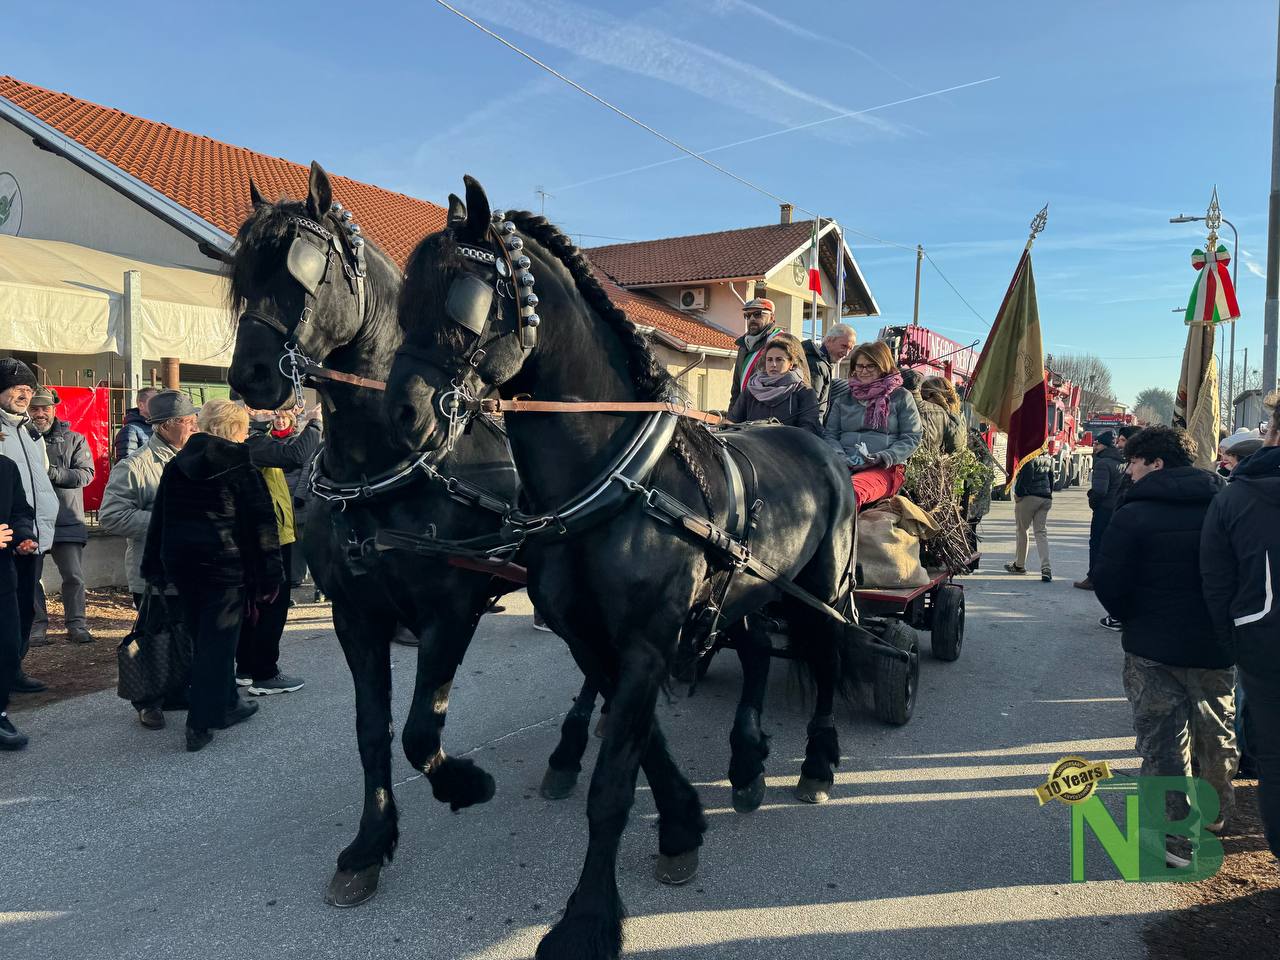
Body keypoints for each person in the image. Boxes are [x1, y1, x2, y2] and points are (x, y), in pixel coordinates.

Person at [1093, 426, 1236, 849]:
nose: (1129, 470)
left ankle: (1172, 834)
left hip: (1151, 649)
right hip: (1215, 645)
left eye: (1134, 462)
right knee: (1215, 731)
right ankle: (1214, 815)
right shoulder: (1226, 503)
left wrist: (1128, 616)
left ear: (1155, 463)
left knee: (1162, 743)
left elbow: (1109, 580)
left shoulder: (1133, 513)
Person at [142, 398, 281, 752]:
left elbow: (160, 518)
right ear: (235, 429)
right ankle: (201, 721)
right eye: (246, 428)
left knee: (201, 636)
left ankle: (229, 701)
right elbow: (262, 528)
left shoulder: (177, 464)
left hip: (182, 564)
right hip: (224, 566)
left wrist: (154, 566)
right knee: (217, 645)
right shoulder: (240, 466)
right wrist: (270, 578)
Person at [1201, 394, 1280, 860]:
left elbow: (1216, 580)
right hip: (1259, 638)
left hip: (1262, 639)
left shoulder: (1235, 496)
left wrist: (1232, 640)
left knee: (1274, 757)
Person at [99, 389, 198, 728]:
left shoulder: (193, 457)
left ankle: (174, 693)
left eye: (194, 420)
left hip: (188, 569)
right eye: (188, 422)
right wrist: (165, 522)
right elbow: (111, 516)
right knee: (151, 636)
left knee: (182, 634)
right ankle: (147, 700)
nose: (194, 427)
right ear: (165, 426)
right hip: (152, 571)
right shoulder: (135, 465)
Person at [234, 404, 320, 695]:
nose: (271, 413)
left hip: (268, 534)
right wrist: (315, 423)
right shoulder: (252, 444)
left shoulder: (249, 441)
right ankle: (265, 674)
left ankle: (245, 668)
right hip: (268, 538)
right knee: (272, 606)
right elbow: (295, 456)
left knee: (252, 607)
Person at [0, 359, 58, 695]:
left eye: (29, 389)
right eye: (17, 387)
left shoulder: (29, 428)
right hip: (5, 537)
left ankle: (14, 669)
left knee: (24, 606)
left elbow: (41, 477)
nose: (25, 394)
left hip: (30, 533)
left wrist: (33, 530)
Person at [28, 388, 95, 645]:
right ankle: (37, 626)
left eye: (45, 408)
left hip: (66, 520)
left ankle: (77, 625)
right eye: (34, 408)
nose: (40, 413)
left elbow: (85, 475)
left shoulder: (74, 439)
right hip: (31, 522)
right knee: (31, 578)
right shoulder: (19, 438)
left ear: (55, 410)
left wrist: (51, 472)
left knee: (74, 576)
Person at [823, 340, 922, 508]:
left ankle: (845, 534)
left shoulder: (901, 397)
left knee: (850, 493)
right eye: (859, 366)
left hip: (885, 468)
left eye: (871, 366)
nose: (863, 371)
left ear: (883, 367)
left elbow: (912, 437)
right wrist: (840, 456)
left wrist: (884, 457)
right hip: (845, 464)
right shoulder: (844, 398)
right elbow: (830, 434)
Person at [0, 454, 39, 749]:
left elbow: (20, 512)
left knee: (8, 650)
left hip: (3, 577)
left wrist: (22, 536)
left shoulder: (5, 467)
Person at [725, 334, 821, 435]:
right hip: (752, 448)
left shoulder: (804, 392)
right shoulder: (750, 390)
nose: (773, 364)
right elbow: (733, 423)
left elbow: (809, 429)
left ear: (791, 364)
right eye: (769, 360)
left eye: (779, 360)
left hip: (789, 448)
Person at [1074, 431, 1125, 591]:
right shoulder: (1122, 461)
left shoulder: (1103, 463)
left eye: (1097, 444)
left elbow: (1100, 491)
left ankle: (1093, 579)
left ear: (1104, 446)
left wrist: (1093, 501)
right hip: (1117, 508)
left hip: (1104, 510)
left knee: (1096, 543)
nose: (1094, 446)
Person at [1004, 452, 1054, 582]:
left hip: (1029, 497)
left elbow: (1027, 474)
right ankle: (1046, 568)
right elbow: (1051, 477)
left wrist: (1019, 494)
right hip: (1045, 498)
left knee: (1022, 531)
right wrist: (1048, 494)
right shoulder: (1047, 456)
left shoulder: (1029, 454)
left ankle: (1019, 565)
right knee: (1041, 533)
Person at [730, 298, 783, 405]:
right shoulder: (743, 346)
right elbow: (736, 389)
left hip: (769, 414)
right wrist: (732, 415)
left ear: (772, 317)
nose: (752, 319)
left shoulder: (782, 341)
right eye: (748, 315)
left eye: (758, 314)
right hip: (743, 413)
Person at [802, 323, 856, 422]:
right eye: (844, 346)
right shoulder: (817, 365)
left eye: (850, 349)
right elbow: (811, 407)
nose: (846, 353)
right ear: (829, 340)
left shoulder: (820, 363)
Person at [916, 376, 966, 456]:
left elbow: (956, 447)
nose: (923, 400)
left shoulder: (950, 418)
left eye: (924, 396)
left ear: (934, 395)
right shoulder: (957, 415)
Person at [113, 386, 158, 462]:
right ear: (141, 405)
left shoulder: (160, 427)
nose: (158, 405)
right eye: (154, 402)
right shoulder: (130, 430)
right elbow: (126, 465)